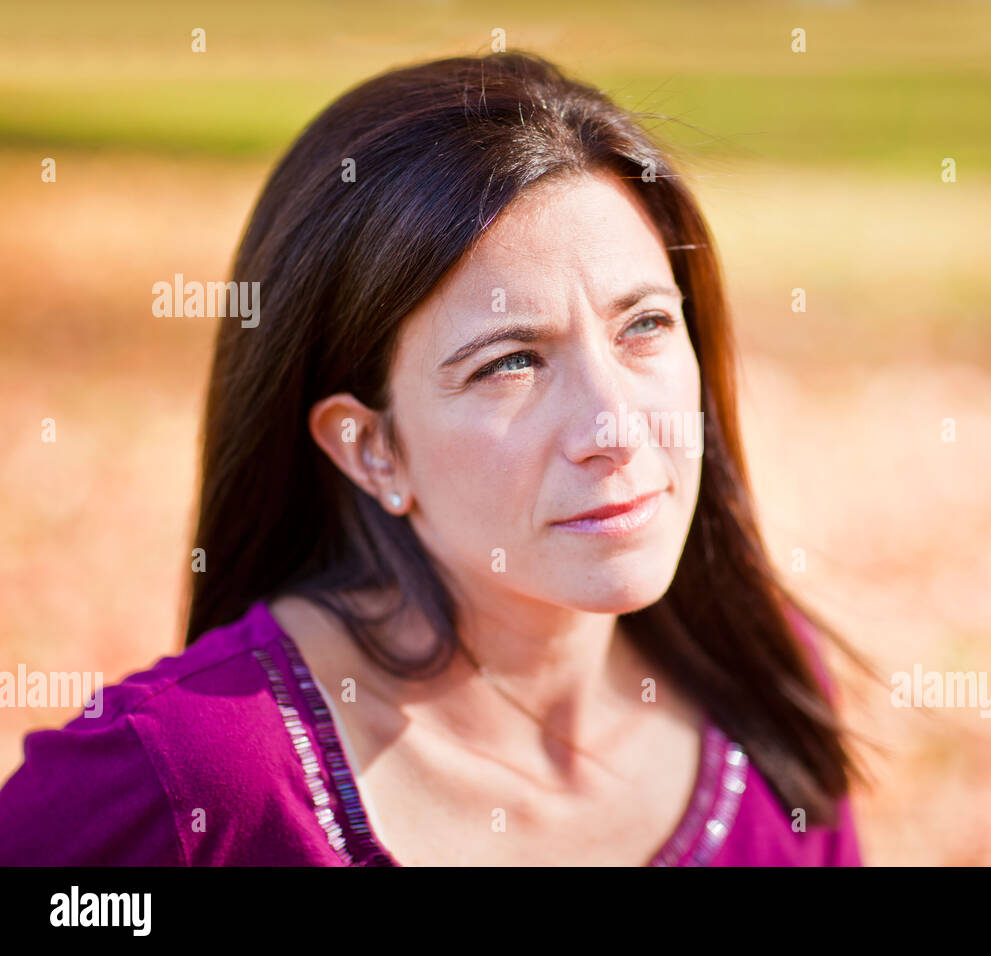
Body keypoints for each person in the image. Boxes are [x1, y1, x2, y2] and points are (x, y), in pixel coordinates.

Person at [0, 50, 875, 866]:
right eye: (511, 363)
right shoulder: (194, 778)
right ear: (371, 448)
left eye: (644, 324)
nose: (614, 426)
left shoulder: (758, 679)